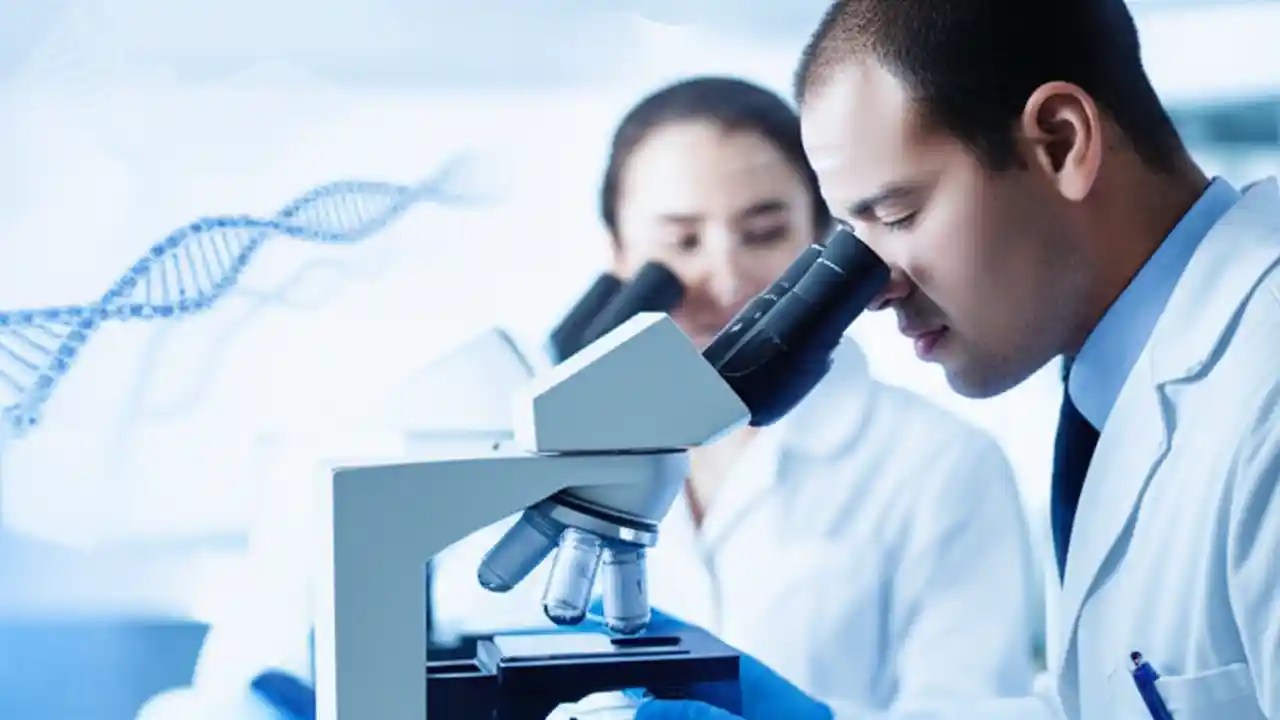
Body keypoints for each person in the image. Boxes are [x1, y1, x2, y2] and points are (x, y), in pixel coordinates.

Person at [134, 76, 1038, 719]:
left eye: (764, 233)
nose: (725, 279)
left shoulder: (937, 465)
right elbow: (235, 676)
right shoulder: (477, 414)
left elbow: (974, 709)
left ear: (818, 241)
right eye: (679, 241)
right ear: (617, 253)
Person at [635, 2, 1280, 720]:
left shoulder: (1265, 386)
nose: (874, 287)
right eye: (852, 232)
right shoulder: (1116, 392)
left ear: (1060, 142)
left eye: (897, 216)